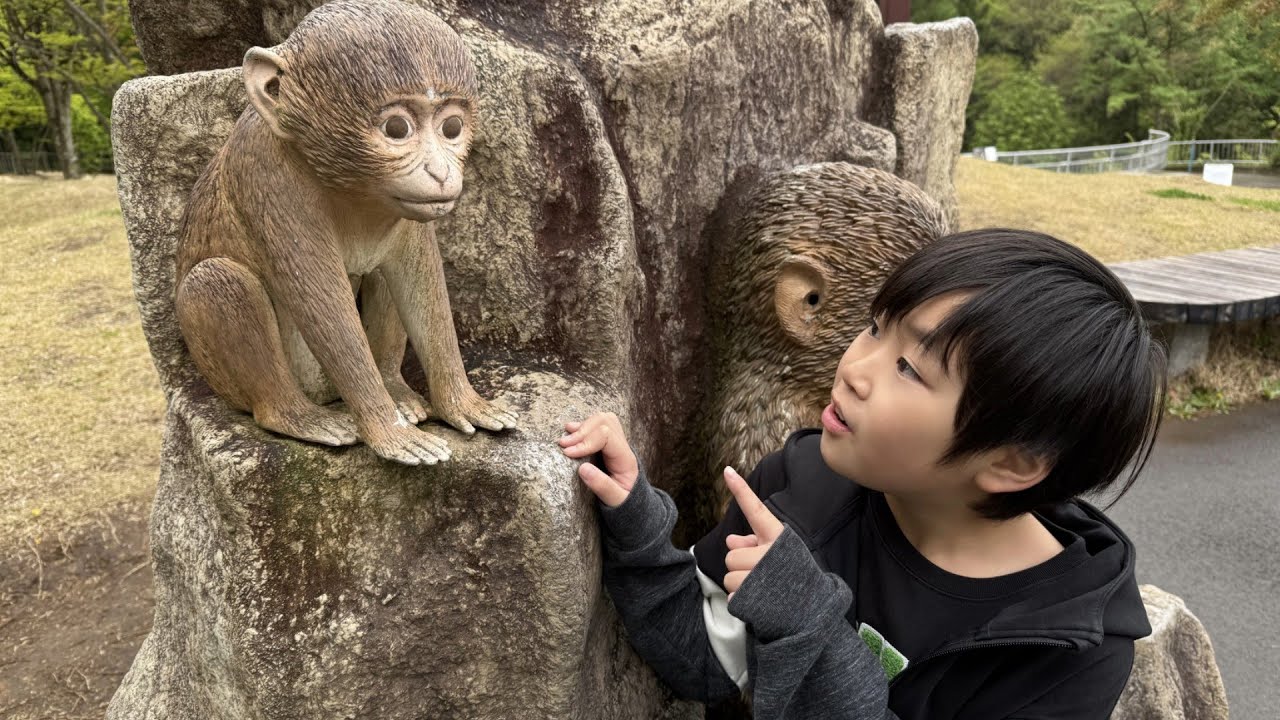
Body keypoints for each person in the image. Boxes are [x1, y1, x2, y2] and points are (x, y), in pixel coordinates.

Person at [559, 228, 1167, 719]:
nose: (854, 367)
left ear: (1010, 463)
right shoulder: (800, 488)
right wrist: (635, 520)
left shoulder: (1069, 651)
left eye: (909, 368)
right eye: (875, 326)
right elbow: (701, 661)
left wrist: (810, 629)